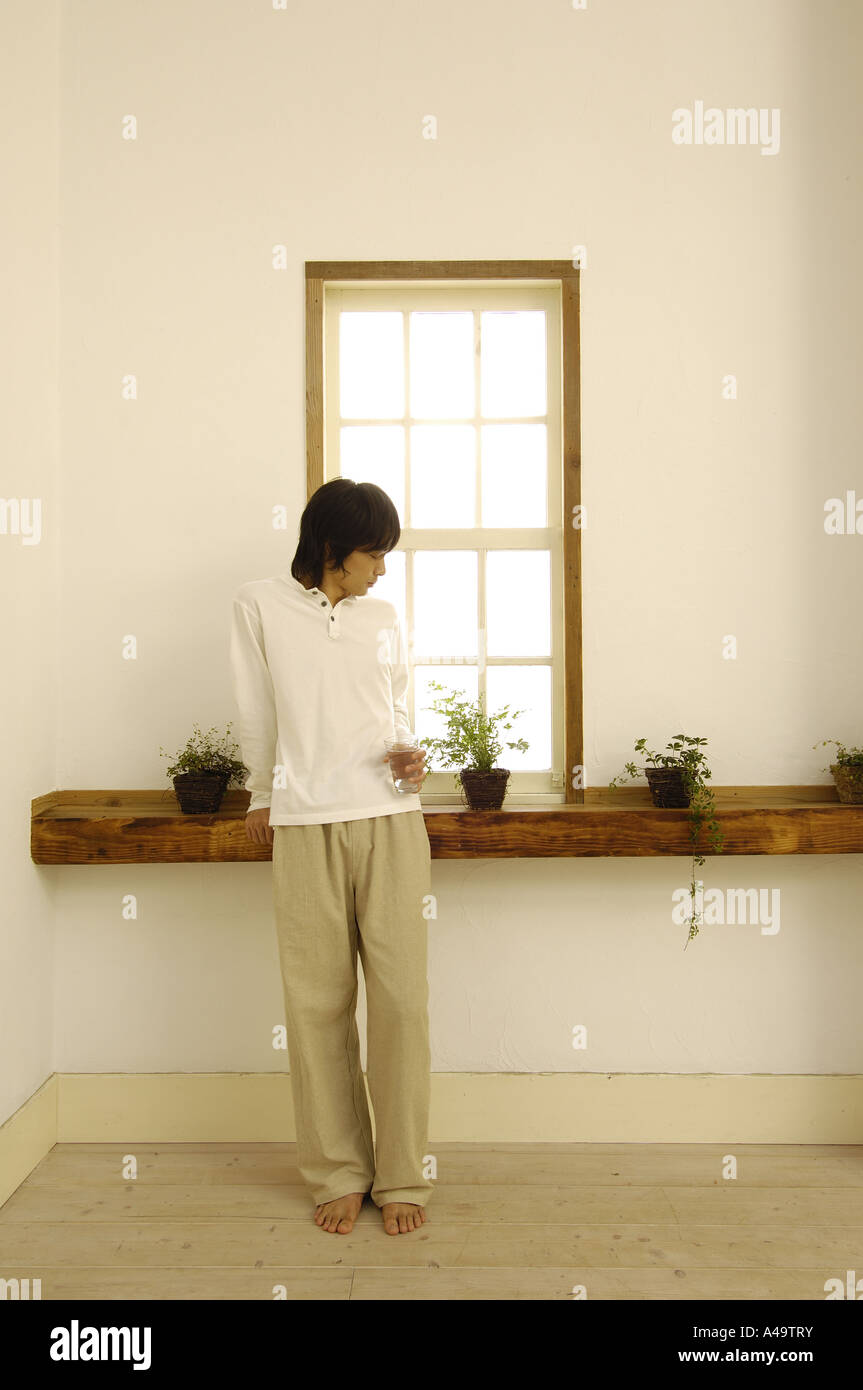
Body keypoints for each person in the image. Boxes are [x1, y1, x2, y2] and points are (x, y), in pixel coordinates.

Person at [229, 478, 433, 1236]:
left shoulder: (381, 615)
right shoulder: (258, 604)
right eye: (372, 554)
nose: (381, 570)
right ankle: (338, 1172)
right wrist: (258, 796)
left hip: (389, 818)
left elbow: (398, 707)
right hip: (305, 821)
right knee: (316, 1007)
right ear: (329, 549)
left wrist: (415, 757)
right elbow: (254, 705)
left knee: (403, 1006)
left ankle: (404, 1171)